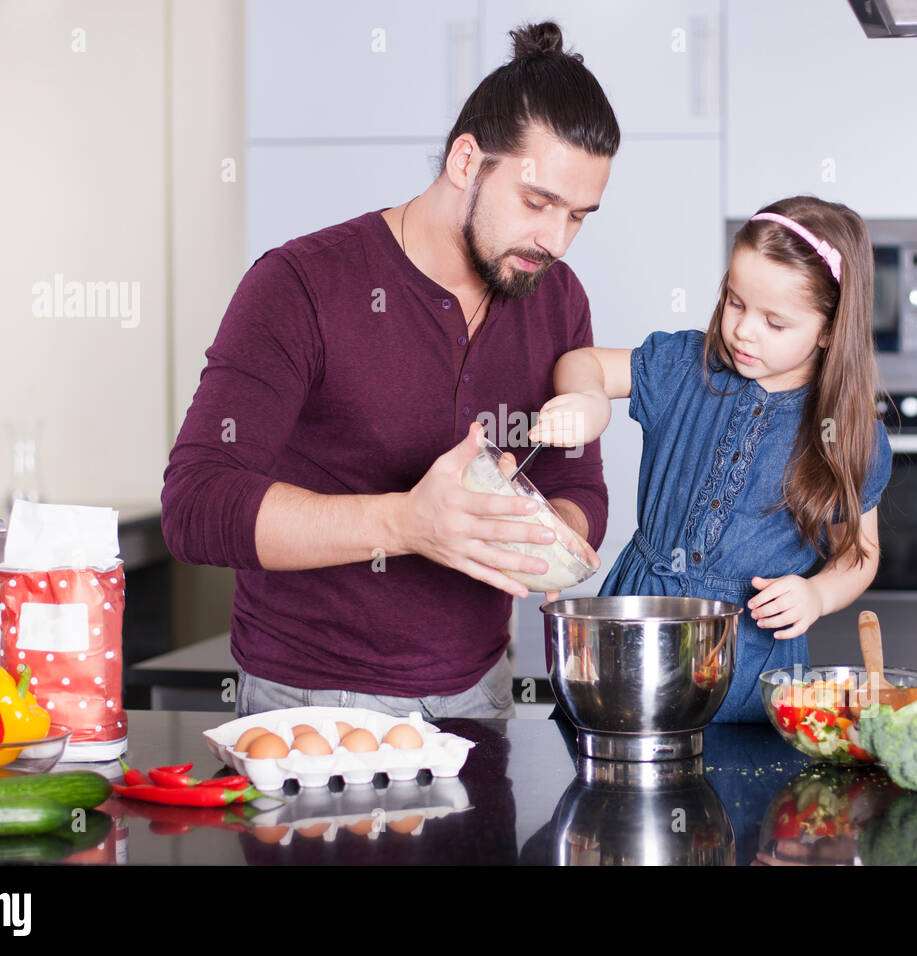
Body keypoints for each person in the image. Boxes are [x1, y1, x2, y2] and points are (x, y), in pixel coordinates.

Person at [160, 23, 619, 720]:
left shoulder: (555, 298)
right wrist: (405, 524)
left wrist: (544, 535)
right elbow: (195, 506)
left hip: (481, 692)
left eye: (578, 217)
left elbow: (575, 482)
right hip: (313, 703)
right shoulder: (302, 284)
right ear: (467, 161)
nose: (555, 241)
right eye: (536, 203)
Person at [529, 195, 893, 723]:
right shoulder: (684, 367)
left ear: (830, 330)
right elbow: (583, 363)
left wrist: (816, 594)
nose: (744, 330)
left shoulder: (848, 436)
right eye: (736, 302)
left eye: (775, 321)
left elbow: (858, 555)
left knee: (739, 795)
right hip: (635, 630)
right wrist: (587, 400)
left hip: (751, 670)